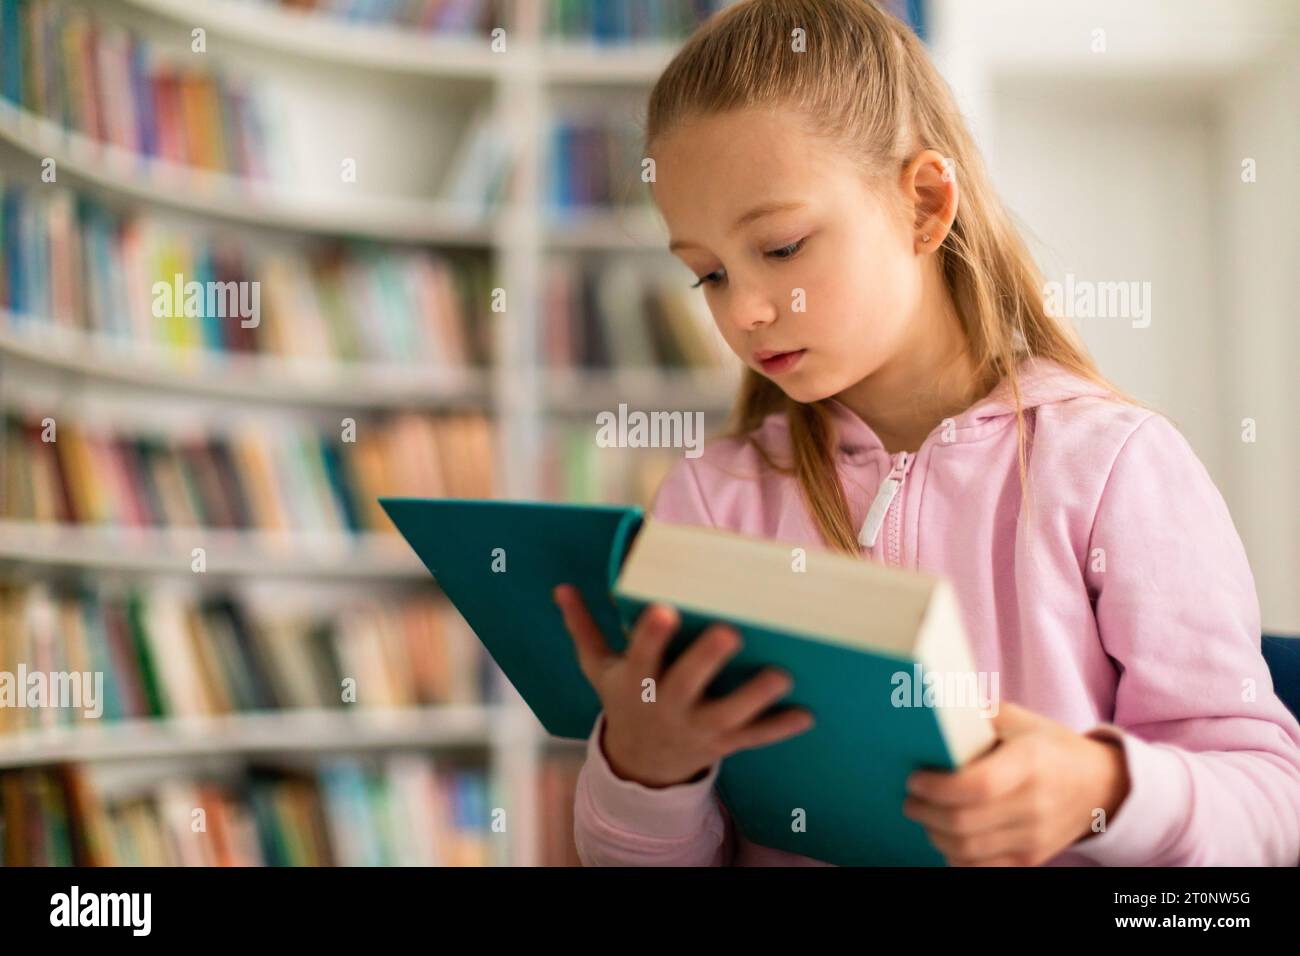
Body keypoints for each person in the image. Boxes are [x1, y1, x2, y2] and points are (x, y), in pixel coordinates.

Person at [553, 0, 1300, 866]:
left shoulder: (1113, 467)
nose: (744, 312)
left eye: (784, 247)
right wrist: (644, 775)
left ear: (925, 204)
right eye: (708, 275)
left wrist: (1102, 790)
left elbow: (1272, 802)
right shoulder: (711, 500)